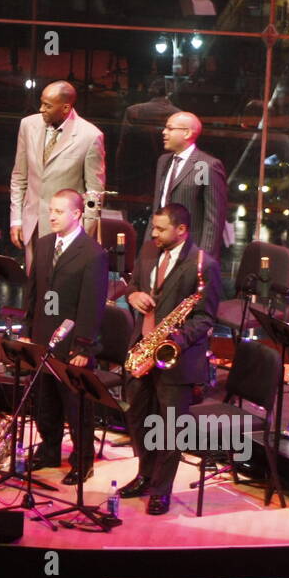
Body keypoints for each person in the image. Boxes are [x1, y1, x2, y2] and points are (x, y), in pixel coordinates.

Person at [120, 203, 222, 515]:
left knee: (168, 429)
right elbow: (134, 285)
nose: (154, 233)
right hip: (142, 349)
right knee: (138, 418)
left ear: (181, 230)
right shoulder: (150, 252)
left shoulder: (204, 265)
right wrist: (132, 295)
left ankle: (161, 491)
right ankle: (145, 475)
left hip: (175, 358)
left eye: (161, 228)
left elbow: (205, 318)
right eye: (154, 227)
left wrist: (172, 340)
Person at [24, 190, 109, 483]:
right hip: (43, 339)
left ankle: (82, 460)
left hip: (74, 343)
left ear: (76, 214)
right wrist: (27, 333)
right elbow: (33, 292)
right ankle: (48, 451)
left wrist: (83, 345)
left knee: (76, 406)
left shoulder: (93, 254)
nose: (51, 216)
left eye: (59, 212)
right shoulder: (45, 244)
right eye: (51, 210)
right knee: (45, 401)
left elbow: (92, 305)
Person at [9, 80, 105, 271]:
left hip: (66, 230)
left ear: (66, 107)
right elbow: (19, 176)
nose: (41, 109)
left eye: (48, 105)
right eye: (42, 102)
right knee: (34, 289)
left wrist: (84, 236)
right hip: (32, 225)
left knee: (58, 290)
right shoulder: (28, 125)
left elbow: (94, 193)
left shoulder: (90, 136)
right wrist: (16, 219)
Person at [151, 111, 228, 260]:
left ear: (186, 133)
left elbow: (213, 218)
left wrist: (204, 258)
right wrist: (148, 247)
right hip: (159, 248)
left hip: (189, 251)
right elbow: (158, 206)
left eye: (170, 128)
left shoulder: (203, 165)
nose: (164, 132)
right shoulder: (164, 161)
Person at [114, 80, 180, 198]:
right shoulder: (178, 113)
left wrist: (119, 172)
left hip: (136, 167)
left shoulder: (134, 110)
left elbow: (124, 143)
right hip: (167, 168)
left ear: (150, 91)